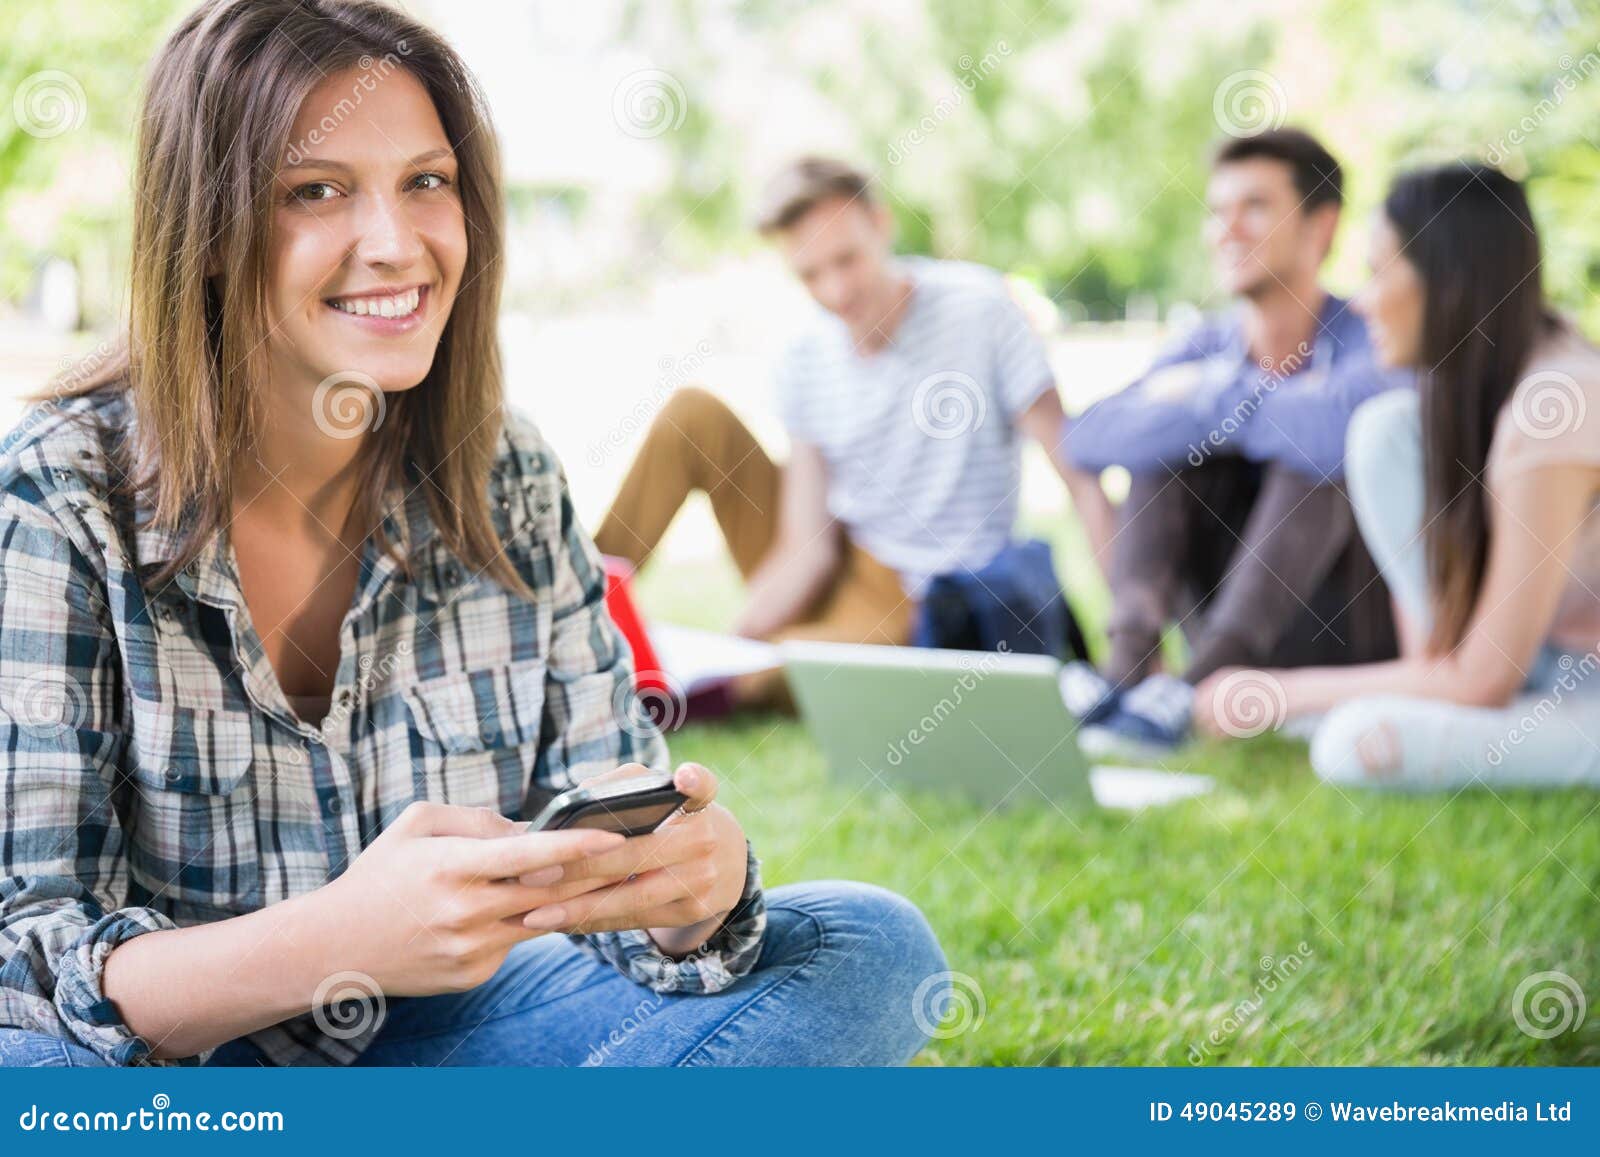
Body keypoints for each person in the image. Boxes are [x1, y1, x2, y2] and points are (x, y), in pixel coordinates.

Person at [0, 0, 945, 1068]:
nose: (397, 244)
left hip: (459, 1037)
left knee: (864, 942)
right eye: (315, 191)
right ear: (207, 230)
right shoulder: (61, 491)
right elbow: (30, 956)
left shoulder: (506, 473)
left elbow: (611, 843)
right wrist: (337, 937)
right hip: (182, 1066)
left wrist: (687, 897)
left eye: (427, 182)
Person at [592, 156, 1114, 709]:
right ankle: (574, 613)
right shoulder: (806, 354)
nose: (836, 291)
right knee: (690, 415)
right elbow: (805, 548)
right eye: (811, 274)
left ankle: (693, 686)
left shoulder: (982, 312)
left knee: (770, 680)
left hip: (923, 598)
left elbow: (1080, 480)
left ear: (881, 226)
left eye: (847, 260)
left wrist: (1134, 640)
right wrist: (732, 643)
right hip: (834, 559)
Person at [1193, 163, 1600, 791]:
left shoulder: (1556, 405)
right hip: (1545, 670)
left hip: (1574, 689)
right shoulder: (1458, 399)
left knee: (1357, 745)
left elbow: (1482, 680)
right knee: (1384, 427)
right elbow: (1446, 668)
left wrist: (1275, 693)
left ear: (1449, 282)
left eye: (1381, 270)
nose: (1361, 298)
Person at [1057, 128, 1410, 753]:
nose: (1227, 231)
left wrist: (1216, 395)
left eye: (1254, 208)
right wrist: (1236, 403)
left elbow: (1331, 437)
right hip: (1219, 604)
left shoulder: (1372, 332)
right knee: (1161, 449)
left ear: (1320, 227)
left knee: (1313, 453)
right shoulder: (1205, 343)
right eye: (1217, 213)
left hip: (1345, 630)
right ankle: (1131, 669)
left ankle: (1202, 683)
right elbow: (1085, 438)